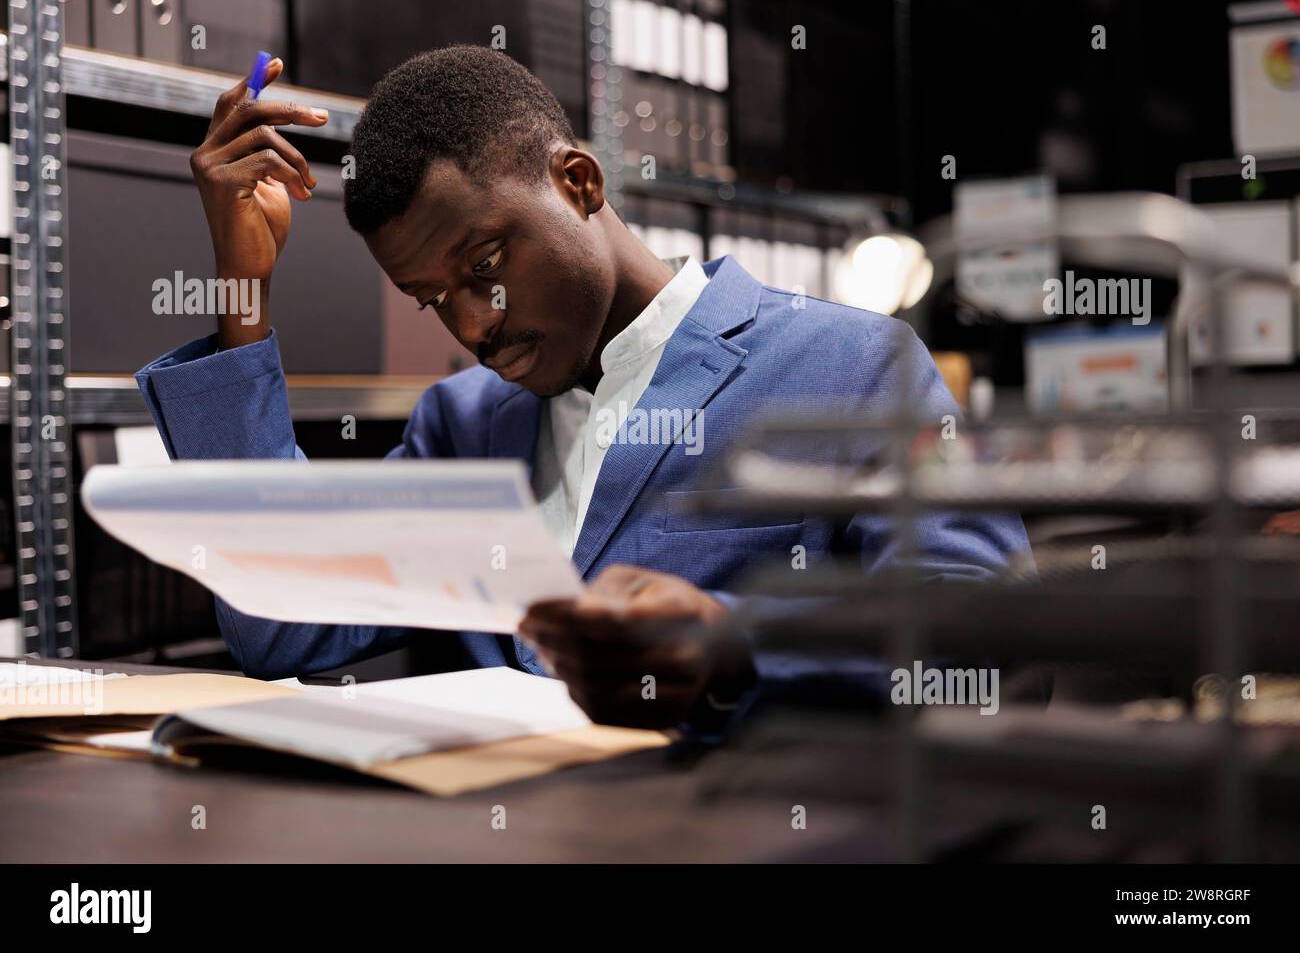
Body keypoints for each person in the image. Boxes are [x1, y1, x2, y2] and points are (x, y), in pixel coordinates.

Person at [136, 45, 1030, 730]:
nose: (473, 328)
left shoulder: (856, 369)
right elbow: (281, 626)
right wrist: (239, 289)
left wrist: (732, 646)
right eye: (429, 300)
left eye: (484, 267)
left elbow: (992, 652)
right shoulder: (464, 423)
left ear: (578, 182)